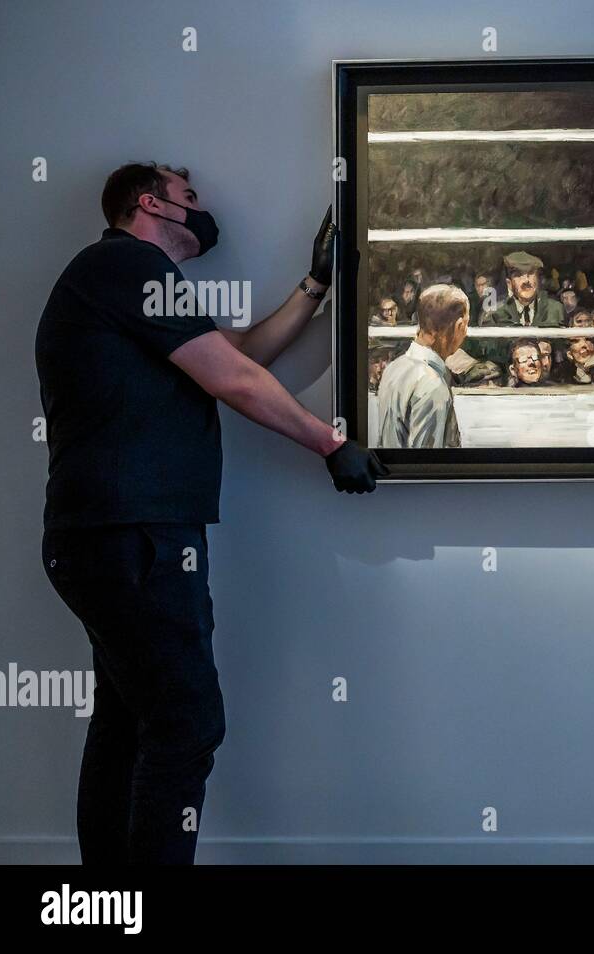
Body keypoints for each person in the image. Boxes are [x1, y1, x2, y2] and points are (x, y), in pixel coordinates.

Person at [35, 161, 386, 866]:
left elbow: (239, 351)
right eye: (189, 199)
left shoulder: (125, 284)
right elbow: (233, 379)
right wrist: (330, 443)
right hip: (132, 537)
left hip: (112, 538)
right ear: (149, 204)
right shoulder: (126, 265)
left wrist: (315, 283)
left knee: (130, 722)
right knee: (187, 726)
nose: (203, 213)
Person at [377, 284, 470, 448]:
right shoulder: (432, 385)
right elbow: (428, 463)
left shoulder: (394, 368)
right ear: (459, 326)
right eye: (466, 325)